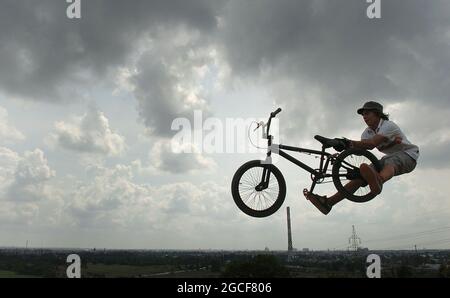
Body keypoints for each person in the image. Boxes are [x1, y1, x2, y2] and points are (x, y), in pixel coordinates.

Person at [304, 101, 419, 215]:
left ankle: (380, 180)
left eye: (367, 113)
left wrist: (347, 142)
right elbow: (360, 151)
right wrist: (341, 156)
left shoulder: (388, 126)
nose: (364, 117)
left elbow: (371, 144)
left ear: (377, 114)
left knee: (391, 161)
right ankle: (329, 202)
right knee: (360, 176)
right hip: (389, 157)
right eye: (363, 114)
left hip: (408, 155)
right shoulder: (367, 133)